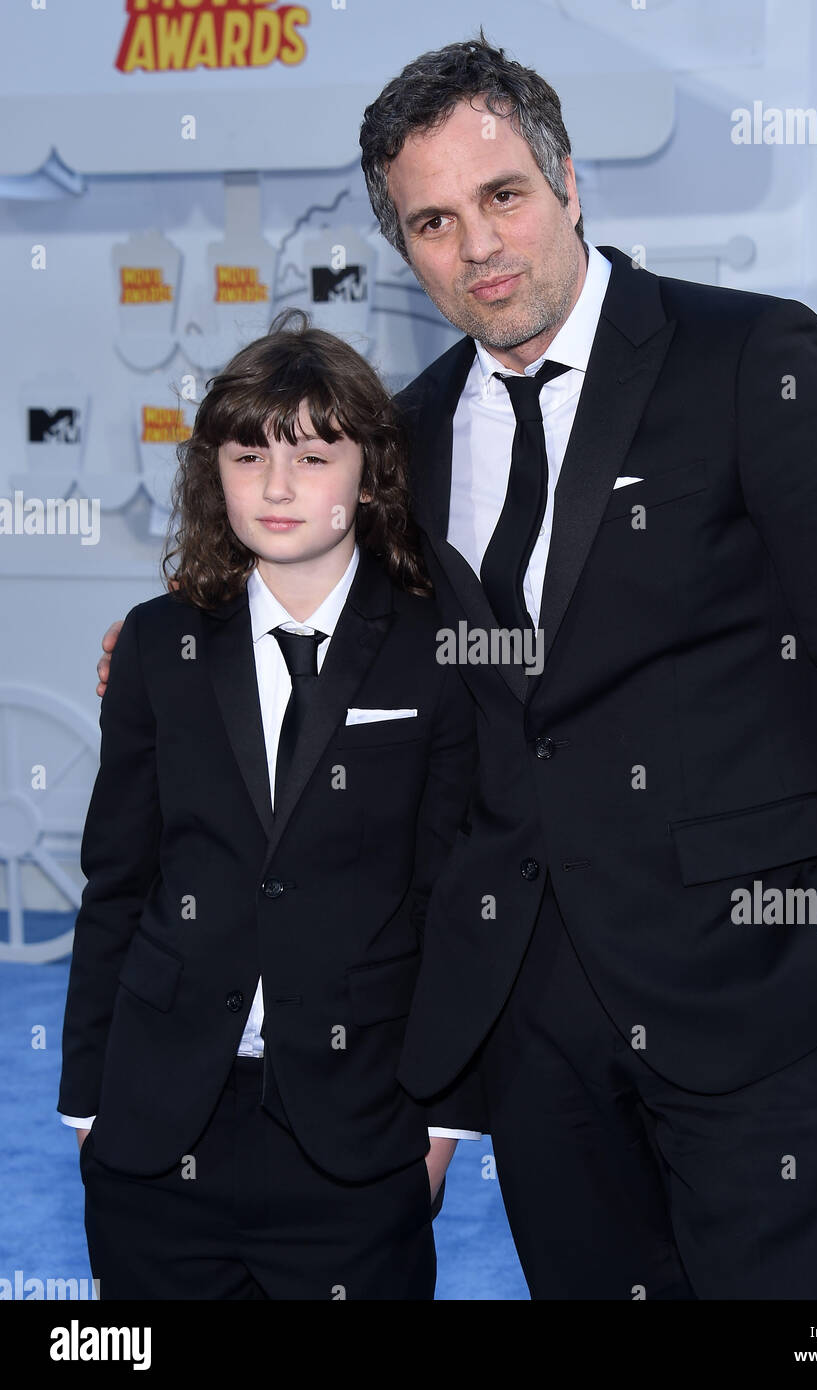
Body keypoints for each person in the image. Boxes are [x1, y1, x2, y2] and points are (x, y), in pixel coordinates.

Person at [98, 33, 817, 1300]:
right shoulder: (415, 430)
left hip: (753, 976)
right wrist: (180, 626)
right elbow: (335, 596)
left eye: (500, 197)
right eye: (432, 221)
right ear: (405, 249)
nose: (477, 247)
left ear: (565, 185)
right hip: (530, 1005)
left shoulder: (750, 356)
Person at [60, 309, 481, 1300]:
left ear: (368, 476)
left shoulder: (436, 646)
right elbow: (116, 882)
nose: (279, 486)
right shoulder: (159, 644)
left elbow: (453, 897)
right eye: (249, 456)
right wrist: (87, 1102)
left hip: (356, 1127)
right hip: (159, 1127)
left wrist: (443, 1124)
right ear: (218, 475)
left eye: (313, 455)